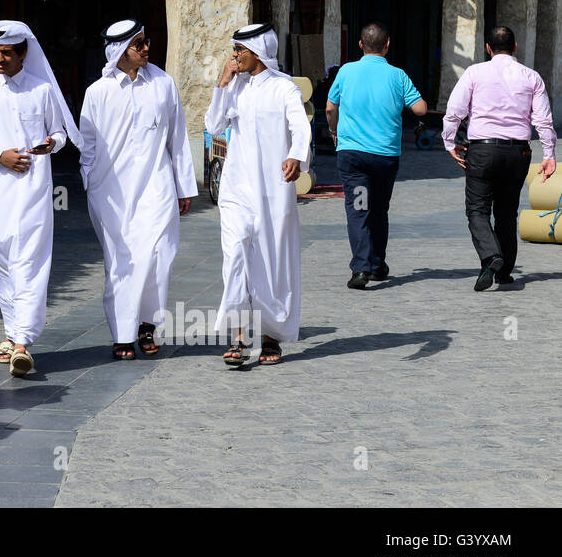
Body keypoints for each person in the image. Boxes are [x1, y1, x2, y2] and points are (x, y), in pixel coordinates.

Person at [0, 20, 81, 378]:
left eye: (7, 52)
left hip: (35, 188)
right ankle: (11, 332)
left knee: (30, 258)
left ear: (23, 53)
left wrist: (51, 144)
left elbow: (60, 132)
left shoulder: (42, 90)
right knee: (3, 258)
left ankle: (23, 342)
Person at [79, 19, 195, 360]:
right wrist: (89, 180)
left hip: (157, 184)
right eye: (138, 44)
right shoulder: (97, 92)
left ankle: (147, 324)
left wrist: (183, 186)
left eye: (146, 42)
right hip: (110, 192)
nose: (146, 48)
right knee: (122, 261)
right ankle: (123, 334)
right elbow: (87, 142)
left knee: (161, 253)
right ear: (119, 51)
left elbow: (178, 137)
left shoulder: (163, 83)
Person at [204, 23, 311, 367]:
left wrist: (296, 154)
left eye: (239, 50)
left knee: (271, 262)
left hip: (273, 192)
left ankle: (270, 338)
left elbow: (299, 126)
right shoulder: (234, 88)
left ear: (259, 52)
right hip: (236, 190)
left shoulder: (283, 88)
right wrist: (222, 84)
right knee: (234, 257)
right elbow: (213, 126)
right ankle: (237, 337)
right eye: (234, 51)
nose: (234, 57)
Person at [442, 25, 556, 291]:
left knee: (477, 210)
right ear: (515, 47)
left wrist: (450, 142)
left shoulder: (474, 73)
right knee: (506, 213)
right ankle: (504, 272)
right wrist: (549, 154)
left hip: (482, 149)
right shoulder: (531, 77)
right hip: (518, 152)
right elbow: (543, 120)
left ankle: (491, 256)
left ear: (488, 48)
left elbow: (454, 111)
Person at [326, 22, 428, 290]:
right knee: (379, 210)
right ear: (388, 45)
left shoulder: (346, 72)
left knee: (359, 209)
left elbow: (329, 108)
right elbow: (420, 109)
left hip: (353, 156)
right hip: (384, 157)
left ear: (360, 44)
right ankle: (377, 263)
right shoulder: (398, 75)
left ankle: (361, 268)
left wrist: (334, 130)